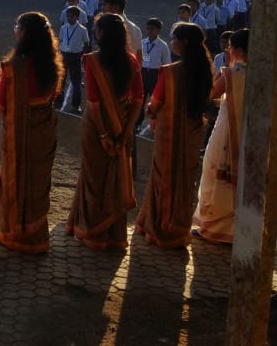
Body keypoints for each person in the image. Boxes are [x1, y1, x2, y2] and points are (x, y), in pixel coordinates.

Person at [66, 13, 144, 251]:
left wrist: (103, 136)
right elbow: (139, 98)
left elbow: (95, 103)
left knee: (94, 176)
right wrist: (125, 133)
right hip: (122, 121)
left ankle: (93, 232)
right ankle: (115, 234)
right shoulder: (131, 61)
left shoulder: (93, 61)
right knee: (117, 177)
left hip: (97, 126)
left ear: (101, 34)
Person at [135, 23, 210, 248]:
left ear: (184, 42)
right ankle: (178, 227)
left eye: (174, 38)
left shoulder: (170, 72)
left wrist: (152, 112)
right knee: (185, 180)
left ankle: (157, 227)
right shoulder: (205, 71)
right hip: (193, 133)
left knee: (164, 177)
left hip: (169, 135)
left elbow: (154, 105)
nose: (172, 42)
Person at [0, 12, 62, 252]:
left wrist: (16, 126)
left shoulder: (14, 68)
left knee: (15, 181)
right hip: (44, 132)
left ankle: (11, 233)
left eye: (17, 27)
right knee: (38, 182)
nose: (15, 31)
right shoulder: (53, 65)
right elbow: (53, 96)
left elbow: (2, 106)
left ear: (24, 33)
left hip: (17, 133)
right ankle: (35, 235)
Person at [192, 27, 249, 243]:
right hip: (247, 131)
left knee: (212, 169)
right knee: (239, 178)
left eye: (231, 47)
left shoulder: (231, 73)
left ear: (239, 50)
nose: (228, 51)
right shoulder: (260, 74)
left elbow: (211, 94)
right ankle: (235, 229)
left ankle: (214, 226)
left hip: (226, 129)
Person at [137, 18, 171, 137]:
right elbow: (143, 58)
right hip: (143, 72)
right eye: (148, 28)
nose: (149, 31)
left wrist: (163, 79)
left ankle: (155, 126)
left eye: (152, 29)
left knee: (155, 102)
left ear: (158, 30)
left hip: (155, 74)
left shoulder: (162, 46)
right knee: (140, 100)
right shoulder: (143, 42)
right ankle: (137, 124)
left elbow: (166, 63)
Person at [57, 6, 90, 113]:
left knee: (76, 82)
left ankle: (76, 105)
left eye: (71, 17)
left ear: (77, 17)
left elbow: (86, 44)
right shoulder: (63, 28)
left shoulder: (82, 30)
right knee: (61, 80)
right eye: (67, 16)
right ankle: (58, 100)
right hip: (64, 55)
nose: (69, 18)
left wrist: (82, 55)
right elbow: (61, 40)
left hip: (75, 57)